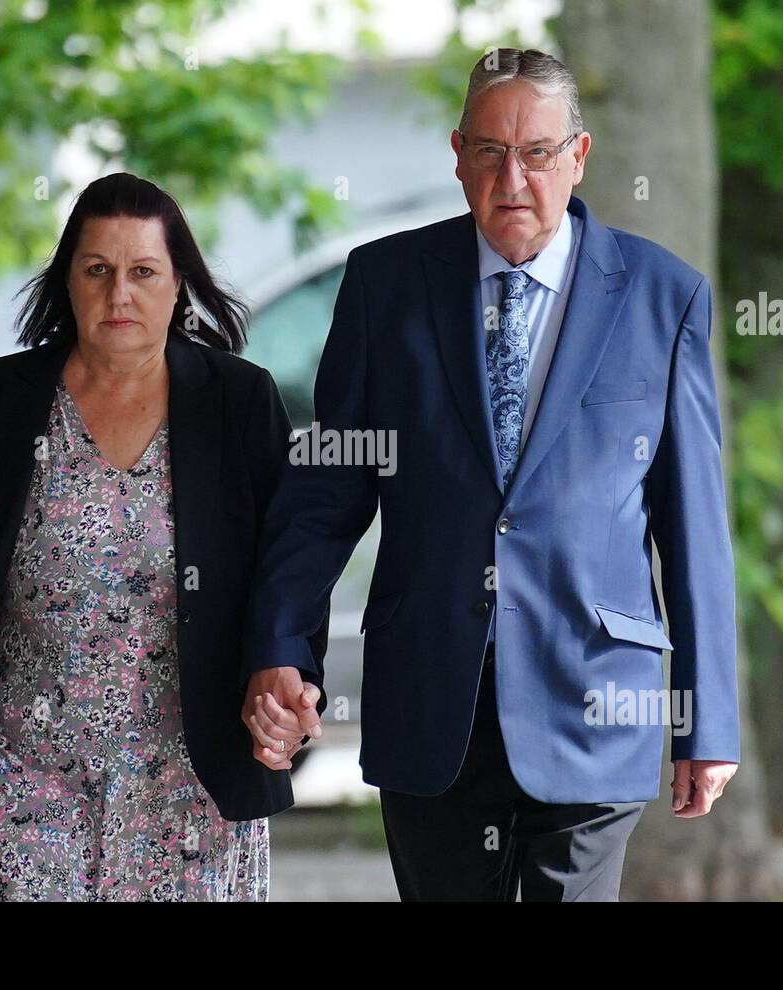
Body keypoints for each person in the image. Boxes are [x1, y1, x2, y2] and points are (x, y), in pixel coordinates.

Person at [241, 48, 741, 901]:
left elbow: (691, 524)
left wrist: (708, 717)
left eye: (537, 152)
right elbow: (328, 493)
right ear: (458, 153)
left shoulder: (664, 297)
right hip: (432, 692)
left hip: (594, 697)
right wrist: (282, 647)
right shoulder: (385, 285)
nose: (513, 178)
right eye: (488, 151)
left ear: (578, 156)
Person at [0, 171, 325, 901]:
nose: (118, 294)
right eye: (97, 270)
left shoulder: (239, 400)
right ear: (68, 280)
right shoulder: (8, 397)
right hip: (21, 770)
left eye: (142, 272)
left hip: (190, 779)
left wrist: (292, 674)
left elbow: (288, 568)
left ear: (179, 283)